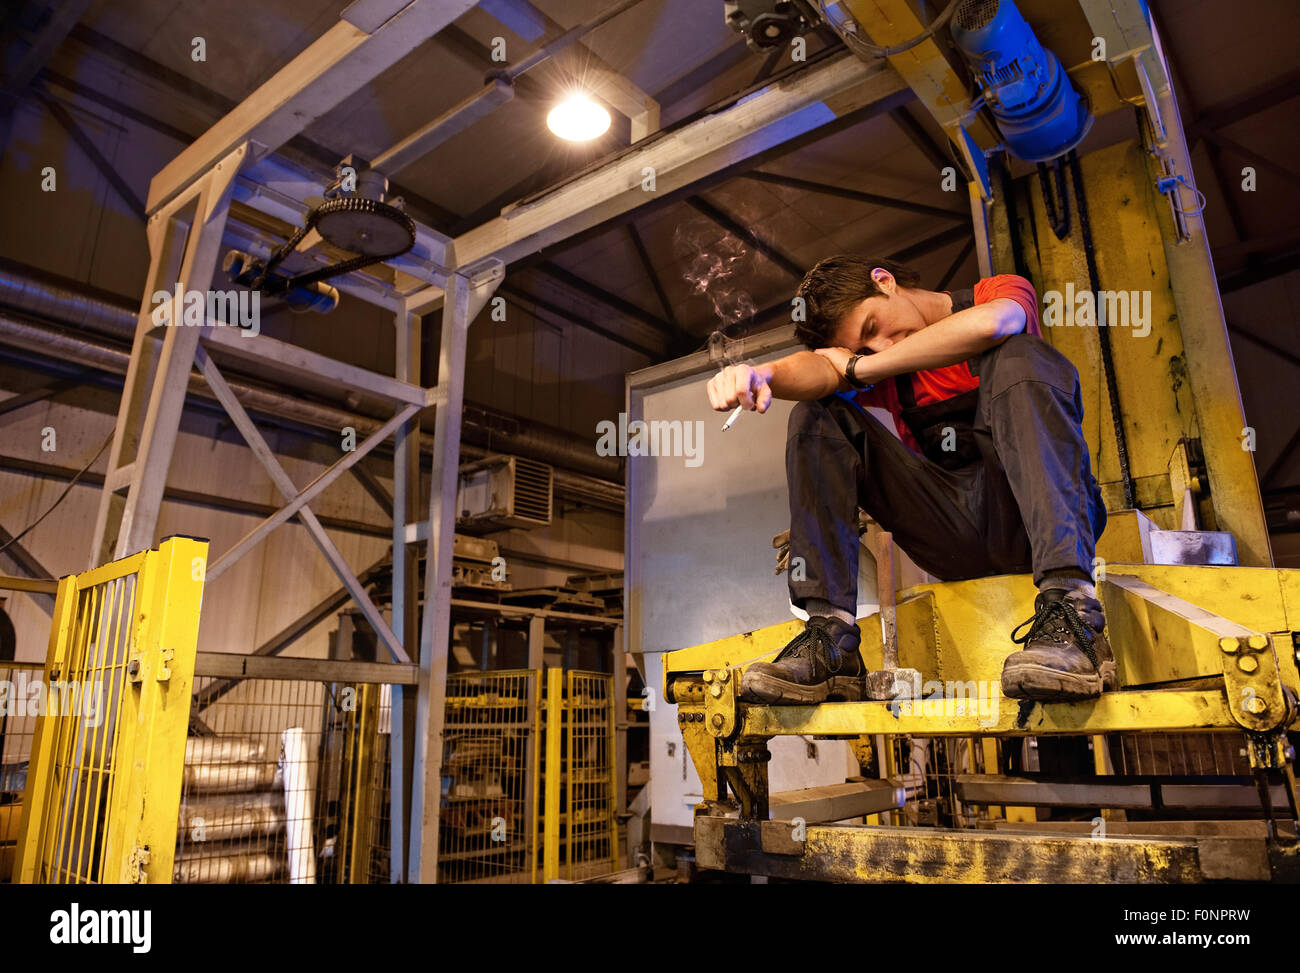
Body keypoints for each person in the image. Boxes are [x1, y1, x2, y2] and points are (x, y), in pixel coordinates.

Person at [705, 255, 1114, 705]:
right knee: (817, 416)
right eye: (865, 347)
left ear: (884, 282)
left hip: (1034, 525)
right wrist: (761, 373)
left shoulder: (995, 293)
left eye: (872, 327)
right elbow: (818, 369)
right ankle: (830, 640)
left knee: (1020, 355)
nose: (881, 347)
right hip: (955, 536)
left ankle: (1073, 615)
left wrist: (859, 368)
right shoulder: (882, 362)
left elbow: (995, 323)